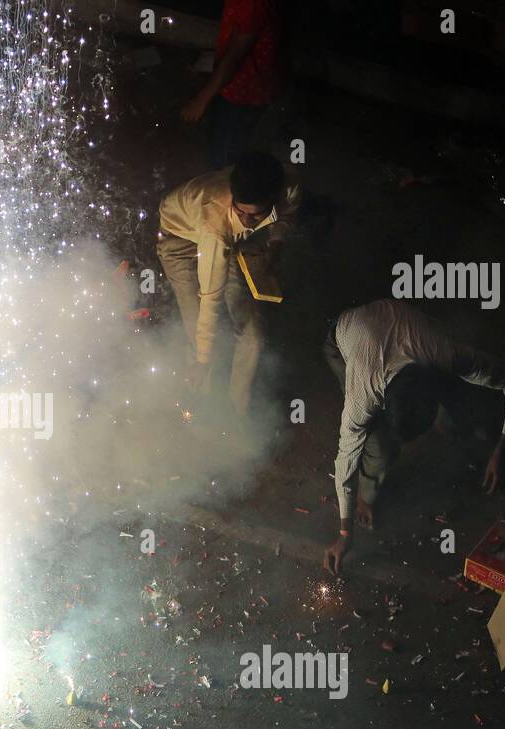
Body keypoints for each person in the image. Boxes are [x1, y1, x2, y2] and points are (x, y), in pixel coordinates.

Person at [322, 299, 505, 575]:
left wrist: (501, 448)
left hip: (406, 334)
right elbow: (345, 462)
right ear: (382, 402)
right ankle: (367, 494)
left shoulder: (451, 355)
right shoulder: (363, 395)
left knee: (466, 413)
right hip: (346, 338)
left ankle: (455, 429)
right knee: (380, 448)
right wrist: (344, 533)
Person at [157, 151, 300, 417]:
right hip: (179, 240)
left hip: (228, 241)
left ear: (272, 199)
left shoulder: (289, 185)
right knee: (197, 324)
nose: (246, 221)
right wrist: (202, 361)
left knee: (254, 334)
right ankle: (201, 405)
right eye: (240, 212)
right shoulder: (215, 225)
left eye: (254, 216)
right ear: (233, 195)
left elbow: (287, 216)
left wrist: (276, 243)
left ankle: (237, 411)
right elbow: (211, 297)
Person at [180, 0, 285, 171]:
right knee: (226, 145)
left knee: (225, 157)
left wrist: (201, 100)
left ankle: (228, 186)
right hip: (240, 87)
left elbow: (234, 58)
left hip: (244, 93)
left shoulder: (251, 4)